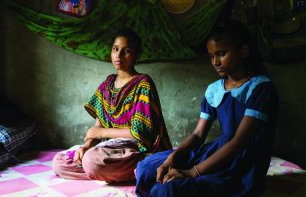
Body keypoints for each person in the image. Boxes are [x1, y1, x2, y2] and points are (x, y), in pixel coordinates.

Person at [135, 20, 279, 196]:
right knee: (148, 168)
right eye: (211, 56)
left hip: (241, 160)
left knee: (168, 189)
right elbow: (197, 135)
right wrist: (172, 158)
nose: (215, 62)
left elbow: (239, 141)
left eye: (221, 54)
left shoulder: (260, 88)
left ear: (243, 51)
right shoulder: (215, 89)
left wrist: (192, 172)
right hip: (219, 149)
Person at [52, 29, 172, 183]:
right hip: (111, 149)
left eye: (126, 51)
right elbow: (98, 124)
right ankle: (109, 172)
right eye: (115, 49)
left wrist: (101, 133)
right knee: (60, 162)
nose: (118, 55)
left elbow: (141, 133)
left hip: (138, 149)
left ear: (137, 55)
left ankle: (143, 168)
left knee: (92, 161)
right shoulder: (107, 84)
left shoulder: (143, 83)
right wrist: (86, 146)